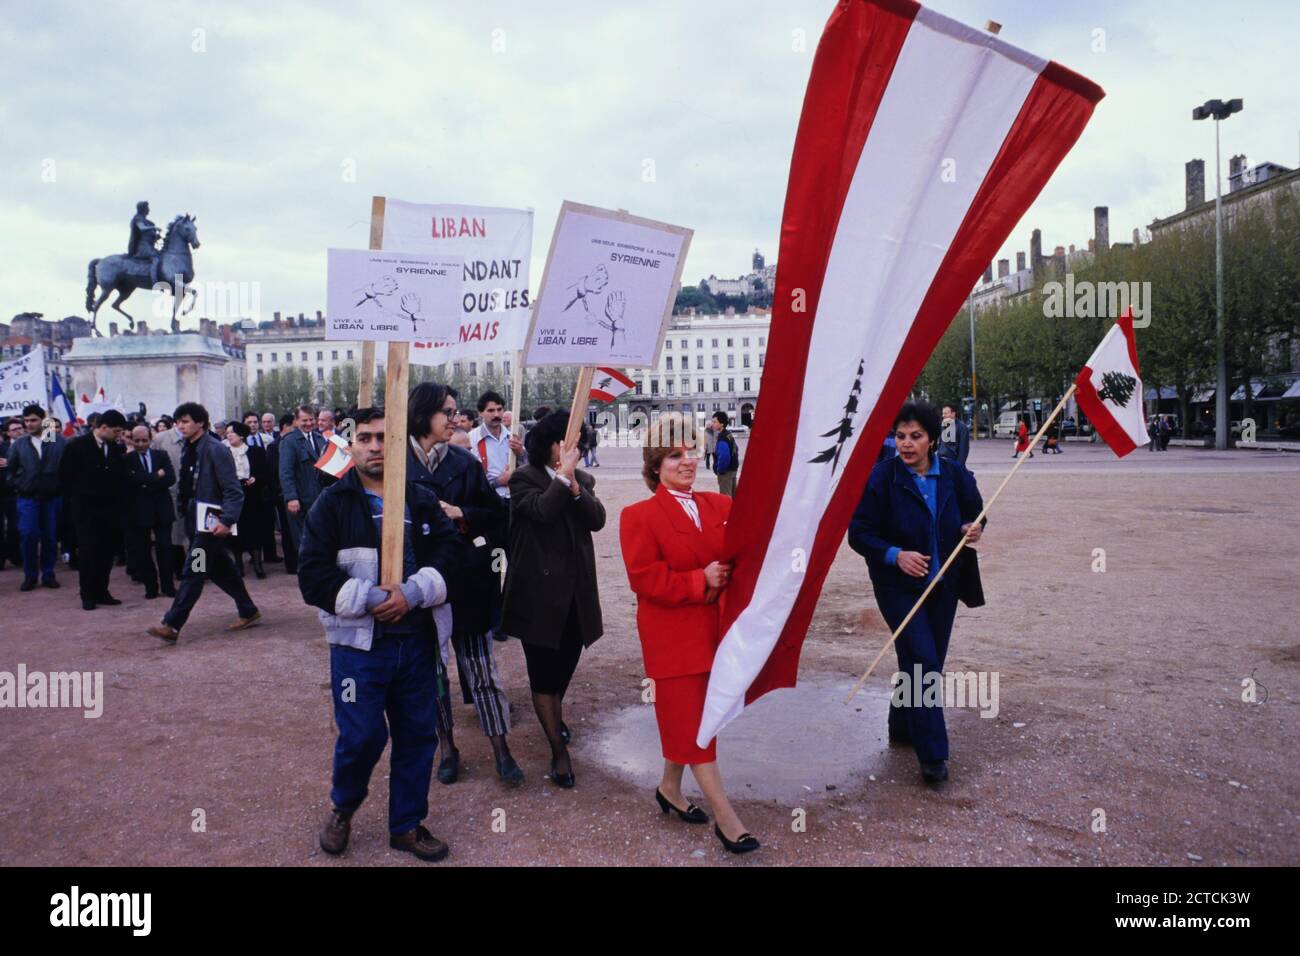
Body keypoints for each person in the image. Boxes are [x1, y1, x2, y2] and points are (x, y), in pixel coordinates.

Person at [297, 407, 462, 862]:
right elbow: (312, 576)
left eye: (383, 439)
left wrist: (413, 591)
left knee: (416, 735)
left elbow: (453, 554)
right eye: (365, 438)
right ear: (351, 446)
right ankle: (343, 806)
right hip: (358, 648)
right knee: (362, 735)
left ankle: (406, 824)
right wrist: (369, 598)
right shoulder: (331, 505)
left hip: (417, 641)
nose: (374, 446)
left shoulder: (421, 498)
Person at [619, 412, 759, 855]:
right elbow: (645, 578)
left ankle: (669, 789)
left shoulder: (721, 506)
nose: (687, 462)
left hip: (716, 636)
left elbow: (748, 554)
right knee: (698, 729)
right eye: (674, 455)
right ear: (655, 466)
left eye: (691, 452)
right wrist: (700, 580)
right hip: (672, 639)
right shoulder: (637, 516)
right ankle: (726, 819)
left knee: (692, 720)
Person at [848, 401, 986, 785]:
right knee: (924, 660)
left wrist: (972, 527)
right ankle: (933, 755)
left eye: (915, 436)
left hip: (944, 585)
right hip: (897, 588)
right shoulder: (881, 477)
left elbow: (976, 513)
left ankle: (902, 723)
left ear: (931, 440)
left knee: (924, 661)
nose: (906, 444)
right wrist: (896, 555)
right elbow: (859, 534)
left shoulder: (955, 475)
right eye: (900, 436)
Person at [407, 383, 521, 785]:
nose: (455, 419)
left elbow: (495, 516)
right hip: (421, 590)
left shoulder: (464, 462)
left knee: (482, 671)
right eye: (448, 412)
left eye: (456, 412)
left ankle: (501, 750)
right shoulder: (396, 467)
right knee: (434, 676)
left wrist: (462, 512)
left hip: (467, 584)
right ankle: (447, 748)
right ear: (423, 415)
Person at [501, 409, 604, 788]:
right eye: (567, 442)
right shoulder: (523, 479)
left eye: (577, 443)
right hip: (538, 597)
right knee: (543, 674)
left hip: (575, 596)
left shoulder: (584, 479)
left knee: (564, 666)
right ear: (547, 444)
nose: (573, 449)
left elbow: (597, 520)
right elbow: (542, 512)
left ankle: (553, 713)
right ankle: (558, 751)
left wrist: (576, 487)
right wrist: (562, 479)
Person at [147, 403, 260, 643]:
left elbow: (233, 490)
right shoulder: (189, 447)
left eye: (185, 421)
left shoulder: (215, 449)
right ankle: (248, 609)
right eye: (178, 421)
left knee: (193, 571)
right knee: (221, 570)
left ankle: (172, 624)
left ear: (200, 423)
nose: (180, 426)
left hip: (211, 523)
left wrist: (227, 520)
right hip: (193, 519)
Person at [59, 409, 129, 610]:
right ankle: (87, 594)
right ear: (103, 427)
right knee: (89, 553)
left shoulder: (115, 448)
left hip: (110, 511)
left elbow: (120, 478)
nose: (119, 435)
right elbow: (65, 477)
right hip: (85, 511)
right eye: (116, 431)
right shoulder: (76, 447)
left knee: (106, 553)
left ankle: (102, 591)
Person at [7, 404, 66, 590]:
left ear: (43, 420)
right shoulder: (19, 444)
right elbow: (11, 470)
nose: (29, 424)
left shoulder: (58, 442)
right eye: (26, 420)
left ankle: (48, 574)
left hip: (51, 498)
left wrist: (57, 484)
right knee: (28, 534)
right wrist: (19, 484)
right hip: (27, 498)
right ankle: (30, 575)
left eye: (33, 420)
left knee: (50, 536)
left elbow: (66, 467)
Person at [124, 423, 176, 599]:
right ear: (131, 439)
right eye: (137, 440)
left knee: (165, 549)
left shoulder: (161, 455)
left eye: (144, 440)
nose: (140, 444)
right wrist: (155, 477)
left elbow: (170, 478)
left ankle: (168, 586)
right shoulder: (127, 459)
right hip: (139, 511)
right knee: (143, 551)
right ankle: (151, 586)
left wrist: (144, 483)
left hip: (162, 509)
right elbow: (129, 481)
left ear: (150, 439)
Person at [279, 405, 325, 565]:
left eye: (311, 419)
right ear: (296, 421)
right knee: (303, 541)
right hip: (300, 500)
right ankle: (307, 572)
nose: (309, 423)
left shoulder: (320, 439)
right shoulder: (290, 441)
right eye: (304, 420)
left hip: (319, 498)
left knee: (321, 538)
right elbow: (286, 472)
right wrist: (291, 497)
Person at [224, 422, 268, 579]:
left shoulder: (255, 451)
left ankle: (258, 564)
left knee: (254, 528)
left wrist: (256, 479)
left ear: (241, 435)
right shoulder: (225, 453)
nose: (228, 435)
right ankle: (238, 565)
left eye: (232, 433)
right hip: (232, 495)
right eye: (227, 433)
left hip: (252, 494)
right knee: (235, 530)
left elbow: (265, 472)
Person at [466, 390, 523, 501]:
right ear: (480, 413)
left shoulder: (512, 436)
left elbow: (527, 465)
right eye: (491, 410)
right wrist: (499, 481)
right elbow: (470, 478)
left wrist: (521, 454)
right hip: (487, 501)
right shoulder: (472, 439)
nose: (496, 414)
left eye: (499, 409)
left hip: (515, 498)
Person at [0, 417, 25, 570]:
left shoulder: (28, 445)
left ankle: (15, 555)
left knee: (15, 526)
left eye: (20, 428)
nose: (19, 431)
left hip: (15, 492)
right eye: (15, 429)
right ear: (8, 433)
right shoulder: (2, 447)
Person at [708, 411, 740, 497]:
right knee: (733, 496)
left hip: (726, 473)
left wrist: (720, 470)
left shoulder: (722, 437)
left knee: (725, 498)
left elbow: (724, 456)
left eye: (715, 422)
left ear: (721, 424)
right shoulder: (728, 434)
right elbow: (736, 448)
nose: (712, 424)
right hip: (733, 470)